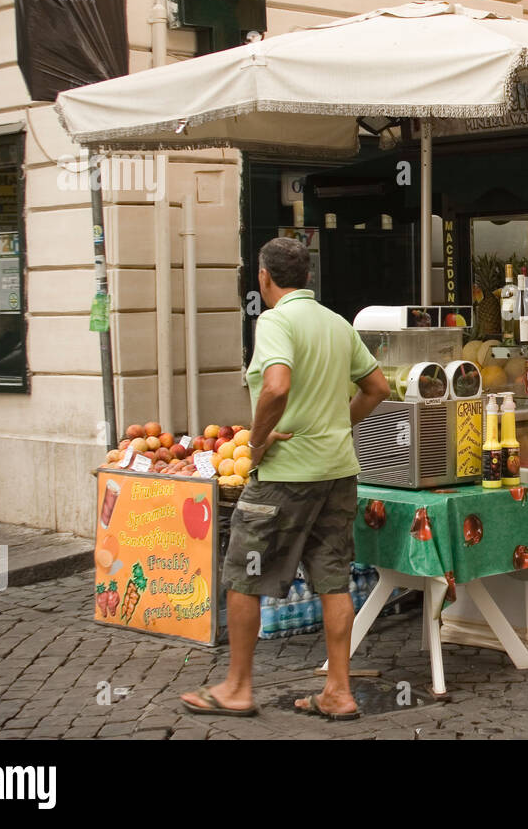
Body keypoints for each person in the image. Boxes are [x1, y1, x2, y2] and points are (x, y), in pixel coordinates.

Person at [181, 237, 389, 718]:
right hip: (337, 471)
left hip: (285, 475)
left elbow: (276, 385)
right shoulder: (337, 323)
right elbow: (377, 387)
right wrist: (339, 422)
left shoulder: (273, 321)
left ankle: (237, 687)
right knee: (333, 579)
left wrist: (257, 441)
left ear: (263, 278)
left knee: (244, 577)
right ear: (308, 278)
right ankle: (337, 690)